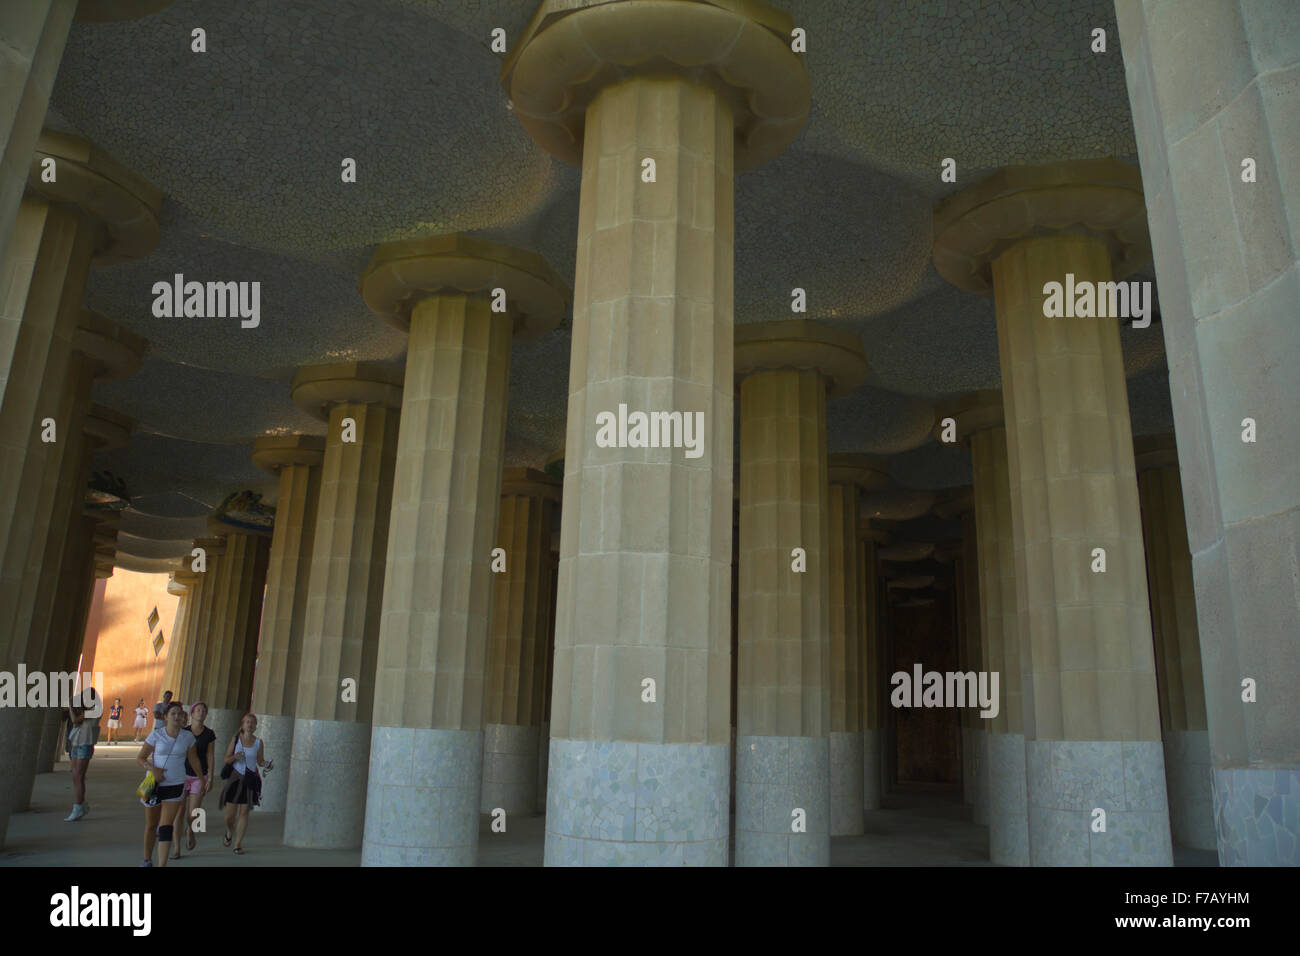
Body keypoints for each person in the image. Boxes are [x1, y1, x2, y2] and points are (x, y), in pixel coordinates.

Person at [136, 701, 200, 867]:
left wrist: (202, 778)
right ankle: (147, 859)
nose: (177, 716)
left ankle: (161, 864)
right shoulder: (156, 735)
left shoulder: (188, 737)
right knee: (151, 825)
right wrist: (152, 769)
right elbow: (141, 757)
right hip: (154, 785)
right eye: (173, 713)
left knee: (166, 826)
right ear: (165, 717)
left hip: (176, 784)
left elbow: (193, 759)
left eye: (179, 713)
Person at [219, 713, 272, 855]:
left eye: (252, 722)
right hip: (235, 778)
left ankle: (237, 844)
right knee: (230, 816)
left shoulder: (258, 742)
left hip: (250, 779)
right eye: (247, 722)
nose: (249, 724)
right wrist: (235, 757)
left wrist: (266, 764)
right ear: (242, 725)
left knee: (244, 813)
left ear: (256, 726)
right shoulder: (236, 739)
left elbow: (260, 760)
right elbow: (226, 759)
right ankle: (229, 831)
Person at [176, 701, 215, 855]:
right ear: (192, 714)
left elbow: (210, 755)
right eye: (198, 710)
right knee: (179, 812)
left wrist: (210, 778)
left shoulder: (209, 734)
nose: (201, 713)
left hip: (200, 776)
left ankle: (191, 831)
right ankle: (176, 847)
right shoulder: (183, 732)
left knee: (194, 813)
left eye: (203, 711)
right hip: (182, 774)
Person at [64, 697, 97, 821]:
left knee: (79, 776)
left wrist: (71, 707)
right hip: (76, 744)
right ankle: (82, 805)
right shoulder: (85, 712)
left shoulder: (95, 711)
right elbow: (76, 722)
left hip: (85, 745)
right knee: (75, 774)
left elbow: (75, 720)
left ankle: (78, 808)